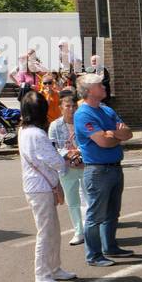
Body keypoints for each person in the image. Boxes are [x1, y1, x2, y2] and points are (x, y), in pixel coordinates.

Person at [18, 91, 79, 282]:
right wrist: (65, 162)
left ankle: (54, 268)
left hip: (39, 186)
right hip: (41, 187)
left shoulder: (25, 130)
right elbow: (53, 160)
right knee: (46, 232)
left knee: (52, 230)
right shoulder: (36, 134)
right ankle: (42, 274)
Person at [73, 73, 134, 266]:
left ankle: (110, 247)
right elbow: (103, 142)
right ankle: (94, 255)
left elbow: (128, 133)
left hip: (114, 168)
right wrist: (117, 136)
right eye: (100, 85)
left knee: (112, 212)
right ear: (90, 91)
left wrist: (113, 134)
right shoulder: (83, 114)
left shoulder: (106, 109)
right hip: (98, 171)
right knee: (96, 215)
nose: (104, 87)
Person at [49, 89, 87, 244]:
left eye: (73, 106)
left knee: (89, 199)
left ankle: (89, 228)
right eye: (67, 106)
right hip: (66, 168)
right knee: (73, 202)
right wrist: (67, 154)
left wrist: (79, 153)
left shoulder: (83, 122)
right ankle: (78, 231)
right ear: (61, 107)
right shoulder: (55, 125)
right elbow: (52, 146)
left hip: (85, 165)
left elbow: (89, 142)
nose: (71, 109)